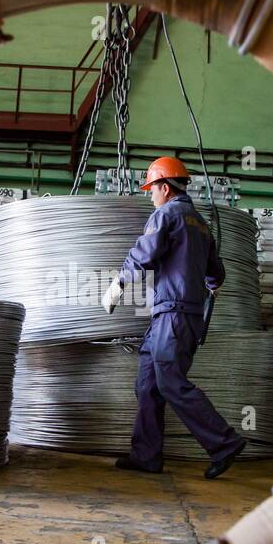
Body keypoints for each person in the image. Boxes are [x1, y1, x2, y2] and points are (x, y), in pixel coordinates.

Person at [101, 157, 247, 479]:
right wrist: (208, 285)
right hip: (174, 317)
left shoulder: (165, 214)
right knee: (148, 384)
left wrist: (119, 283)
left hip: (173, 316)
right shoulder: (200, 223)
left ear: (165, 188)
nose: (150, 195)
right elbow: (216, 273)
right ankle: (146, 456)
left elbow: (145, 253)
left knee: (171, 383)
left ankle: (223, 442)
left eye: (152, 189)